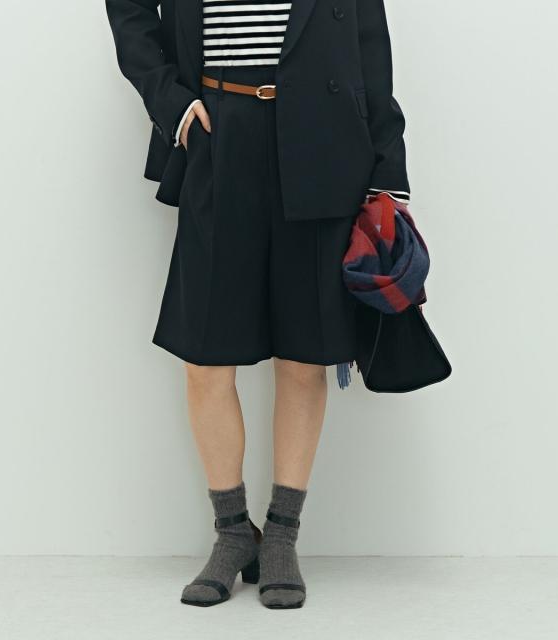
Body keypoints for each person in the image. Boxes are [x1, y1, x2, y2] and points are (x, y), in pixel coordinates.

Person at [105, 0, 410, 609]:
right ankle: (232, 532)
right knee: (205, 355)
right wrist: (170, 101)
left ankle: (282, 536)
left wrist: (387, 169)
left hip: (323, 140)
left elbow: (370, 43)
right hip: (220, 134)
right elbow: (129, 10)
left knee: (304, 354)